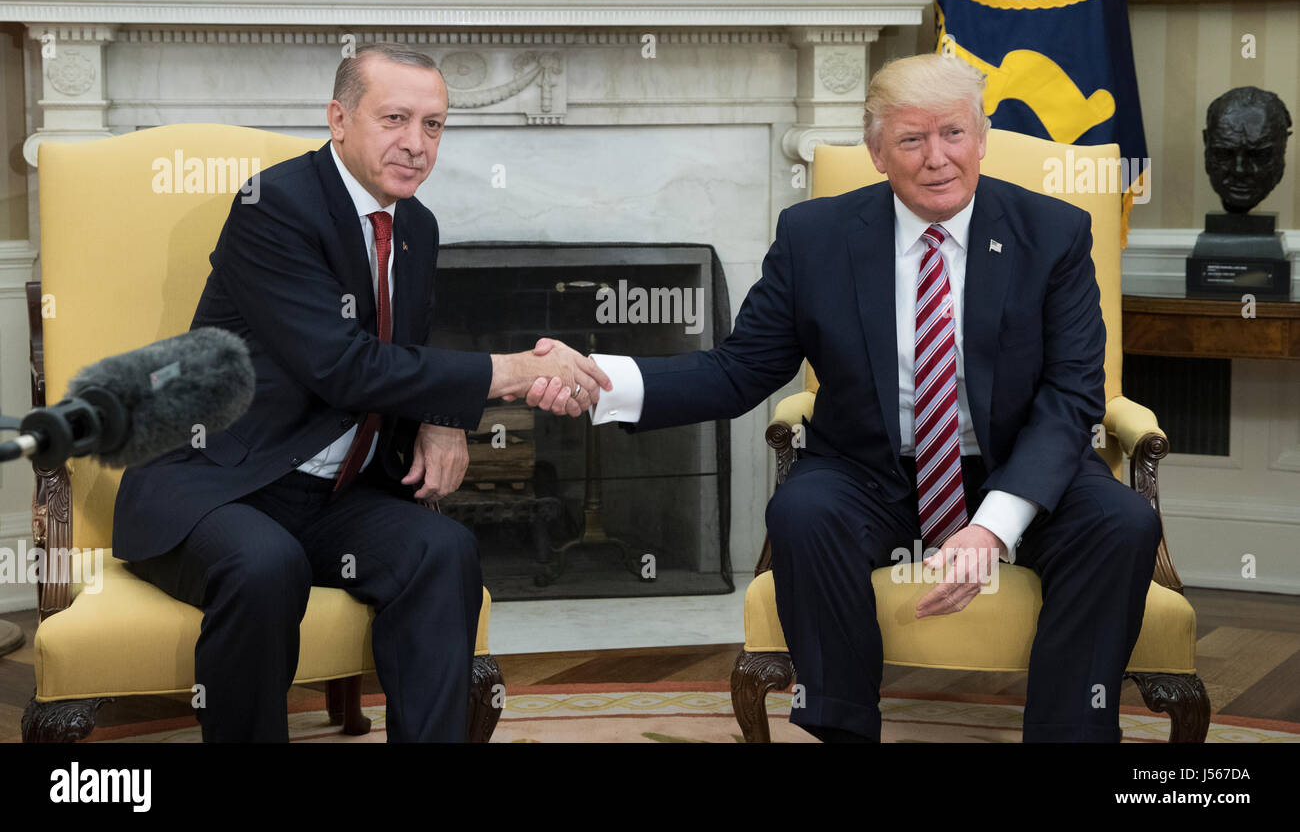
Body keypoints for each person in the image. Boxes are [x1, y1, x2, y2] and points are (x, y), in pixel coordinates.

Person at [528, 53, 1162, 742]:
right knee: (802, 511)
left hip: (1017, 466)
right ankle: (843, 726)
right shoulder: (815, 236)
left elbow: (1071, 395)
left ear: (981, 137)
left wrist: (992, 526)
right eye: (911, 139)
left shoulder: (1053, 232)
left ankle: (1069, 732)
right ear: (876, 150)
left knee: (1121, 522)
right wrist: (601, 379)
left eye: (953, 133)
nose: (936, 158)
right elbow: (739, 370)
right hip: (872, 472)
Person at [114, 42, 610, 743]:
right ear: (338, 119)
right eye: (395, 119)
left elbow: (402, 351)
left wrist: (440, 418)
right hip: (220, 482)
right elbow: (342, 367)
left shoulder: (417, 227)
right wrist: (512, 373)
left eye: (433, 125)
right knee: (264, 564)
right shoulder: (275, 207)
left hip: (337, 496)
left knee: (442, 551)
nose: (416, 144)